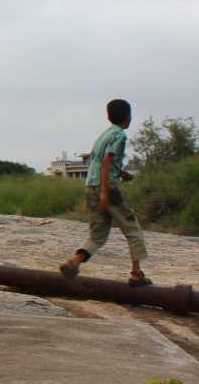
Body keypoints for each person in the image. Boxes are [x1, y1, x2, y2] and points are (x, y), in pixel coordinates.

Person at [59, 99, 151, 287]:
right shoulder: (119, 136)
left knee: (97, 234)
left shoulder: (103, 136)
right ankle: (136, 274)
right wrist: (105, 193)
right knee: (132, 229)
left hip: (90, 185)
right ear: (129, 117)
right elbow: (107, 161)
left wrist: (121, 173)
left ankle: (73, 263)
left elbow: (100, 162)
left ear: (109, 116)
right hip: (106, 186)